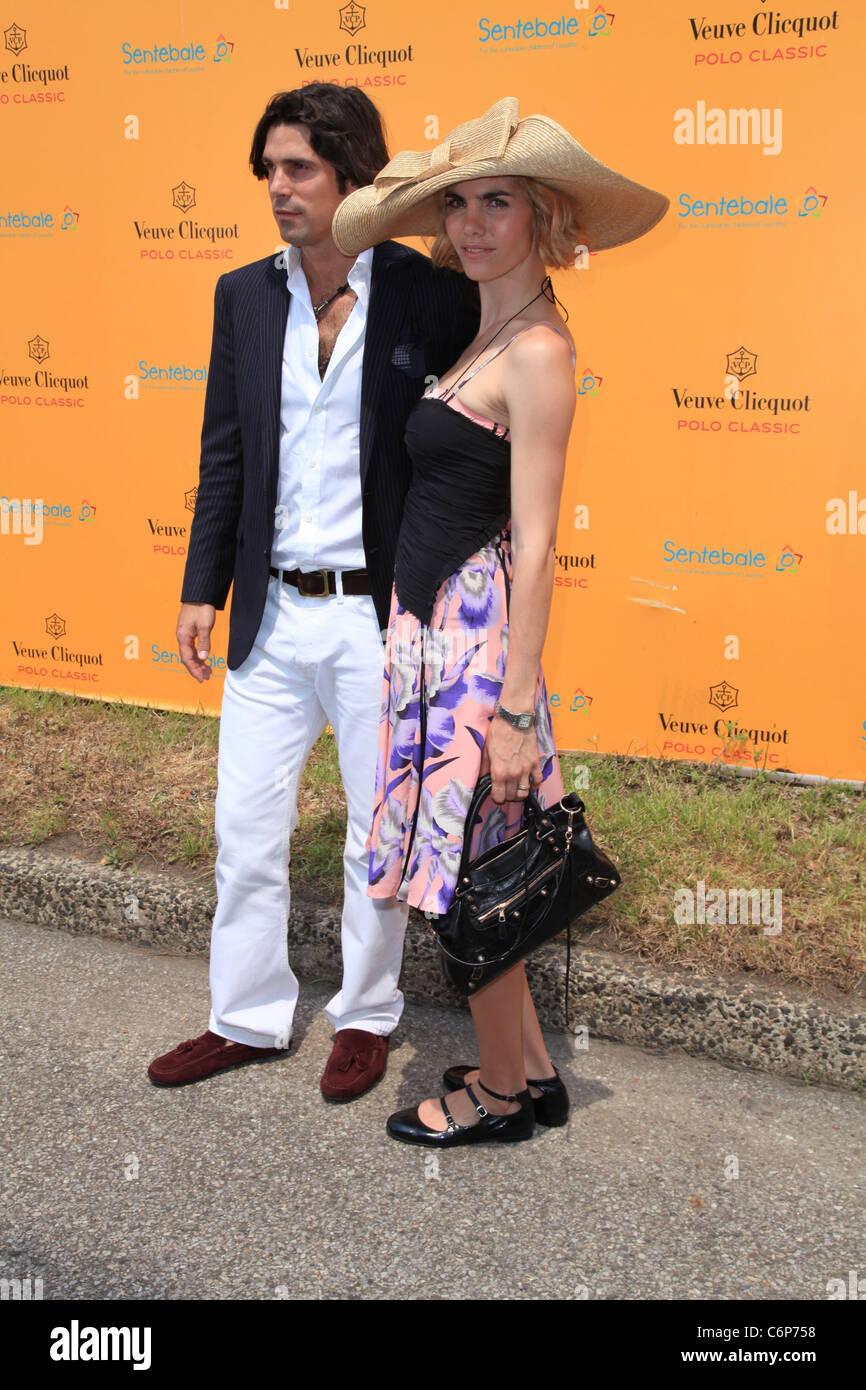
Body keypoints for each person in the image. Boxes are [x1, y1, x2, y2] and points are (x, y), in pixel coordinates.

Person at [332, 96, 668, 1144]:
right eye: (461, 204)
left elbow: (534, 541)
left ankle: (503, 1098)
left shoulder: (535, 352)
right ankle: (525, 1072)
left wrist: (516, 709)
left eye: (500, 203)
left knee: (468, 882)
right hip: (430, 649)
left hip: (477, 661)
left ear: (544, 219)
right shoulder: (491, 328)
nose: (473, 224)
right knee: (480, 879)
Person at [147, 84, 479, 1100]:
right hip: (270, 611)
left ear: (350, 175)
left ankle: (366, 1013)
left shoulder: (429, 295)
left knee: (376, 830)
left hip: (375, 613)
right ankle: (243, 1015)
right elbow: (225, 450)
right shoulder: (242, 295)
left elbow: (464, 449)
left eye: (296, 168)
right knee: (244, 825)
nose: (276, 188)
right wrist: (202, 586)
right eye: (269, 170)